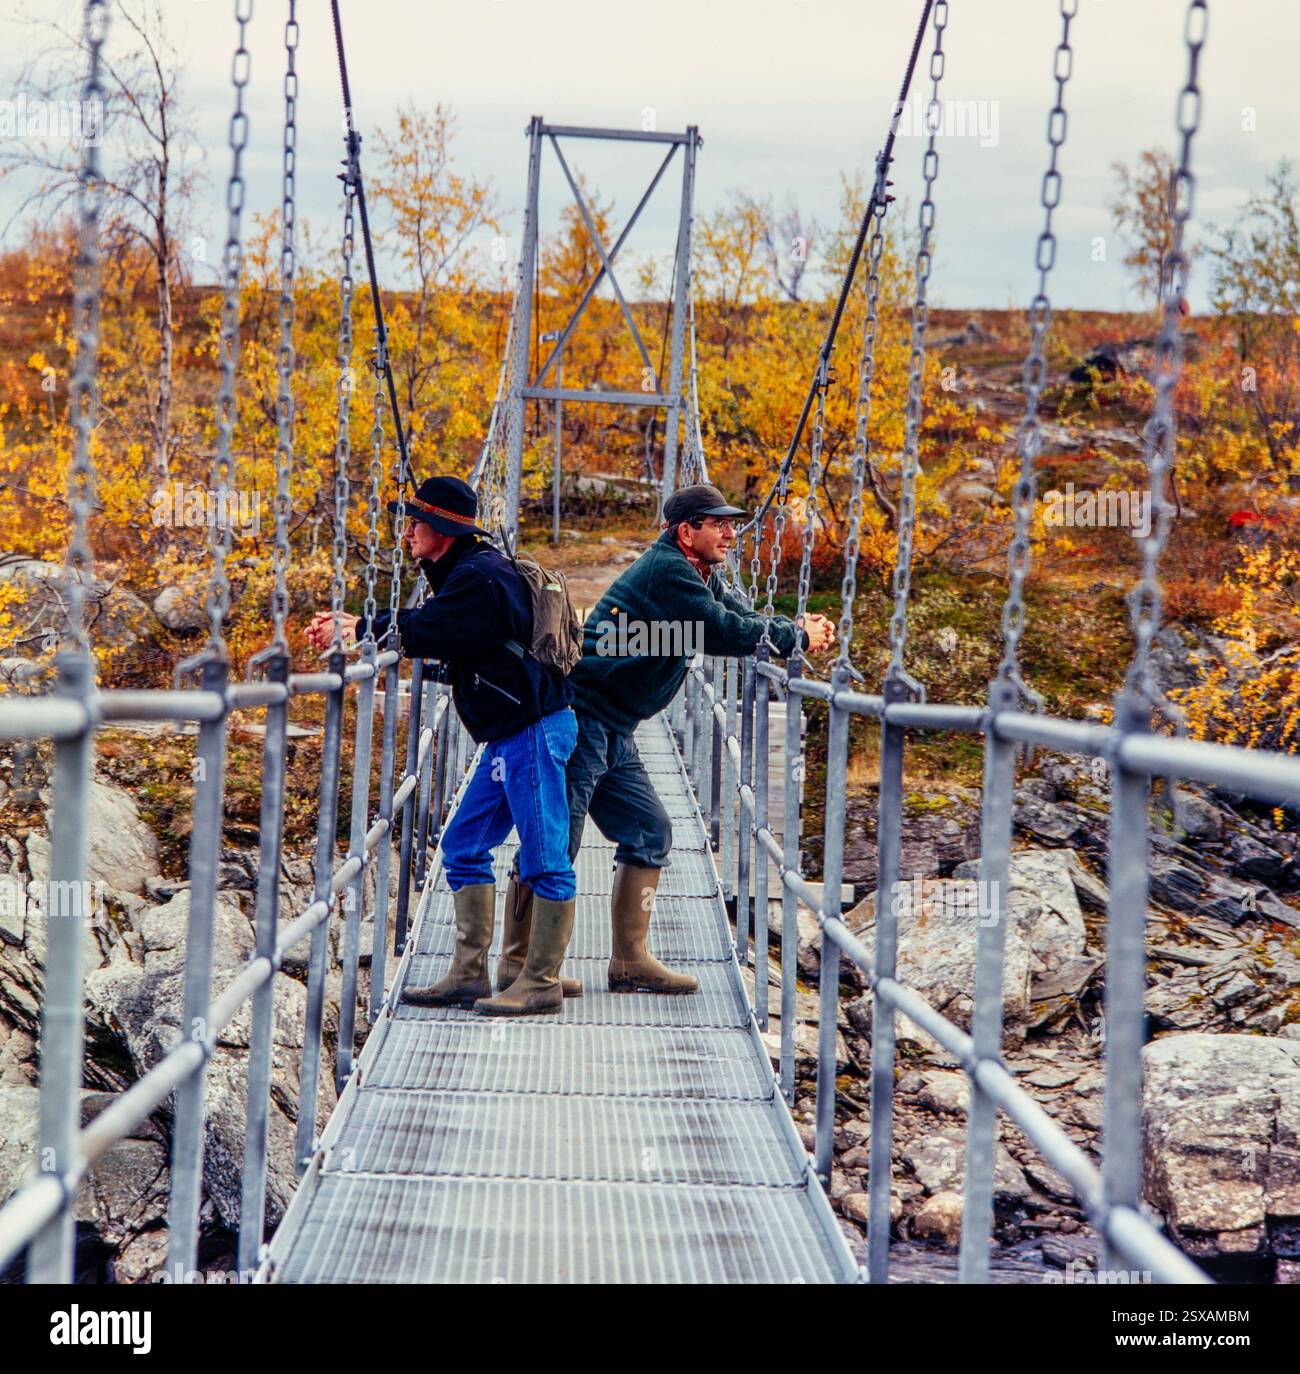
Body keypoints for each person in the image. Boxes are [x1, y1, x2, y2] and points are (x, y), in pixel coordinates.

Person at [505, 482, 835, 998]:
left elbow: (741, 618)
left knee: (650, 830)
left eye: (732, 523)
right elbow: (722, 631)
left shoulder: (699, 572)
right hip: (583, 719)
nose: (732, 532)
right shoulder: (669, 571)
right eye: (720, 524)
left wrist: (789, 626)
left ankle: (629, 962)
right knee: (557, 840)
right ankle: (522, 965)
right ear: (687, 532)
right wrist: (797, 636)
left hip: (618, 726)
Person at [306, 475, 578, 1016]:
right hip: (509, 733)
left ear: (445, 530)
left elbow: (432, 628)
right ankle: (469, 974)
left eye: (416, 523)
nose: (406, 532)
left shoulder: (479, 578)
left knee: (546, 855)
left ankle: (541, 981)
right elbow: (446, 631)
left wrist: (361, 625)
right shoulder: (467, 569)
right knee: (463, 845)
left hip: (533, 729)